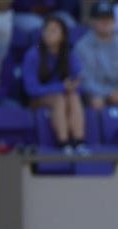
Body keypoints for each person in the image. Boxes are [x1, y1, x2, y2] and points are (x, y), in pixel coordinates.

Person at [24, 15, 88, 153]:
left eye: (54, 31)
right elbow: (31, 89)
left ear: (63, 36)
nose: (48, 34)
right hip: (37, 100)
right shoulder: (33, 55)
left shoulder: (69, 55)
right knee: (59, 99)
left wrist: (74, 85)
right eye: (46, 30)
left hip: (64, 96)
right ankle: (63, 143)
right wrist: (61, 87)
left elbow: (79, 80)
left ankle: (79, 142)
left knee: (73, 97)